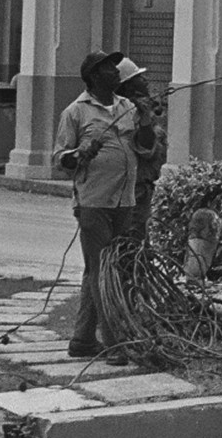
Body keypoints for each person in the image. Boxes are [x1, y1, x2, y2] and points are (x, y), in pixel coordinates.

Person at [54, 50, 147, 359]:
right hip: (93, 201)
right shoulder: (75, 112)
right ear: (94, 76)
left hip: (125, 200)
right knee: (104, 271)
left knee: (102, 268)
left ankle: (82, 340)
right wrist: (80, 153)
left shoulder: (127, 107)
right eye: (108, 67)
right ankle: (114, 342)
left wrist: (146, 120)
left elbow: (144, 146)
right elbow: (60, 160)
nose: (116, 71)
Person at [115, 56, 167, 239]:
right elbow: (145, 148)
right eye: (139, 78)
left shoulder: (139, 109)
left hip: (142, 187)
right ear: (129, 86)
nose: (145, 81)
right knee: (133, 237)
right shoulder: (130, 112)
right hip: (134, 187)